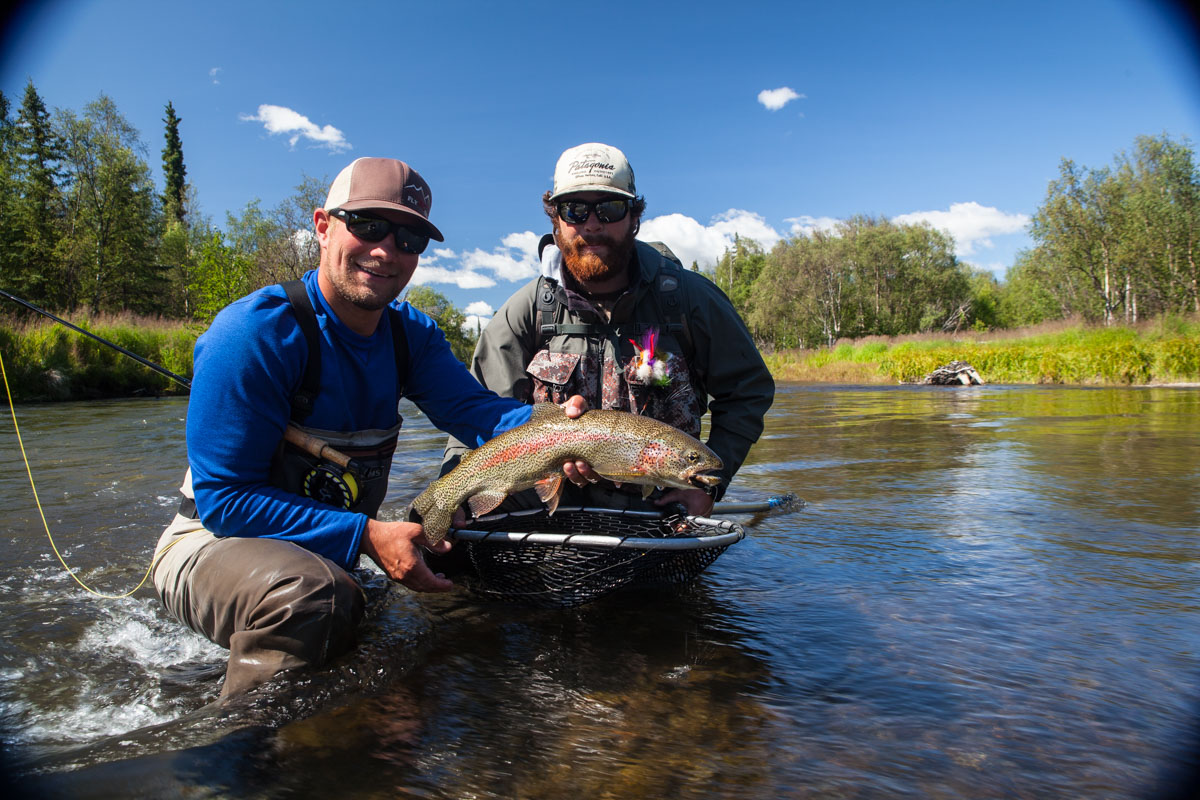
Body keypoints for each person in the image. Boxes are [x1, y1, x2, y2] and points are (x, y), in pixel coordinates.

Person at [152, 157, 591, 698]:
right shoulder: (252, 335)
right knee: (315, 598)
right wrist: (365, 535)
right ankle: (243, 742)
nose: (387, 250)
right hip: (211, 542)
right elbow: (225, 502)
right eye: (367, 225)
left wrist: (562, 429)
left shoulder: (411, 337)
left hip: (322, 554)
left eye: (409, 238)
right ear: (322, 226)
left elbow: (481, 415)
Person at [443, 142, 774, 517]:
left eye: (610, 208)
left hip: (659, 504)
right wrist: (450, 496)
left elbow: (748, 391)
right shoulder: (526, 311)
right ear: (556, 221)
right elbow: (474, 414)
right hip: (544, 502)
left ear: (634, 217)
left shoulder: (689, 299)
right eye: (575, 209)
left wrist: (711, 486)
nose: (592, 224)